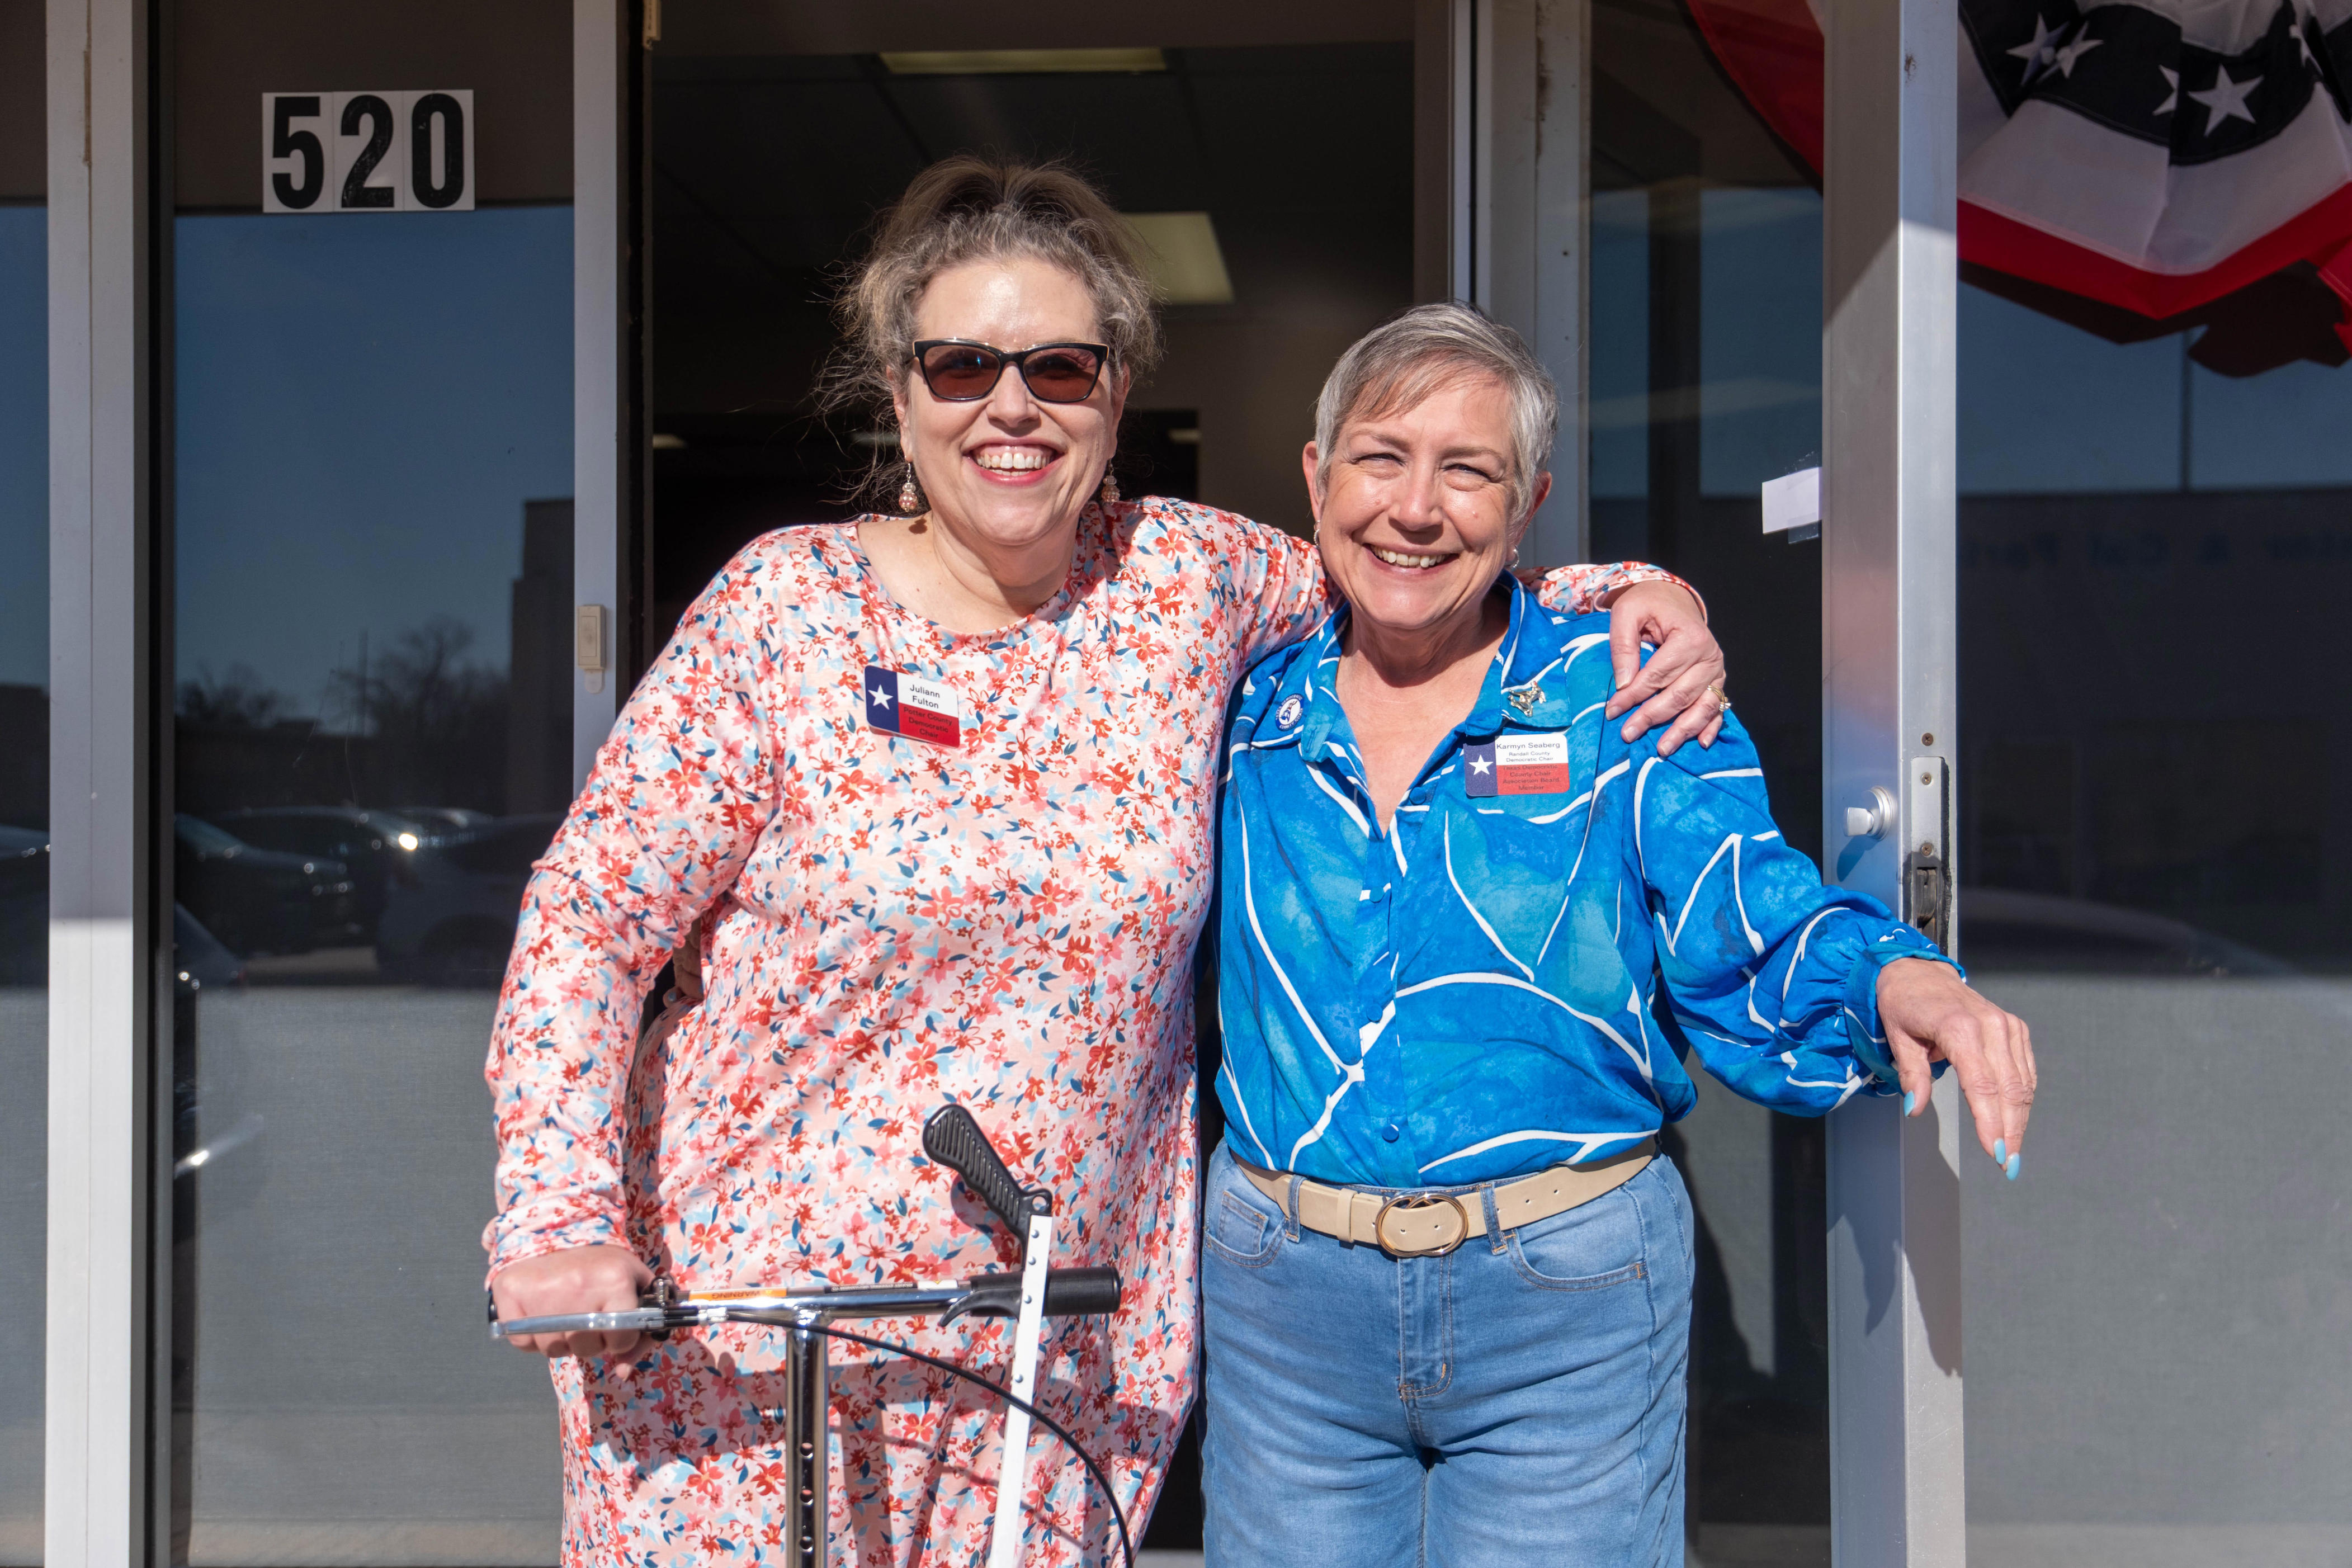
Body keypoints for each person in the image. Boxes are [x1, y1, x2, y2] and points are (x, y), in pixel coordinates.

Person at [480, 157, 1730, 1567]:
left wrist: (1634, 591)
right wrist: (558, 1212)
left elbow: (1415, 560)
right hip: (764, 1340)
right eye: (962, 365)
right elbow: (590, 919)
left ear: (1114, 397)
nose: (1011, 405)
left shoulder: (1184, 582)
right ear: (902, 397)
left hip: (1054, 1348)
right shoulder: (782, 611)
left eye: (1059, 367)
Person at [1201, 303, 2037, 1566]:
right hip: (1284, 1302)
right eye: (1381, 457)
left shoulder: (1625, 692)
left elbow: (1749, 915)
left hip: (1562, 1296)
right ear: (1318, 480)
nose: (1415, 508)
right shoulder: (1237, 697)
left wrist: (1898, 975)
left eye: (1468, 469)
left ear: (1528, 501)